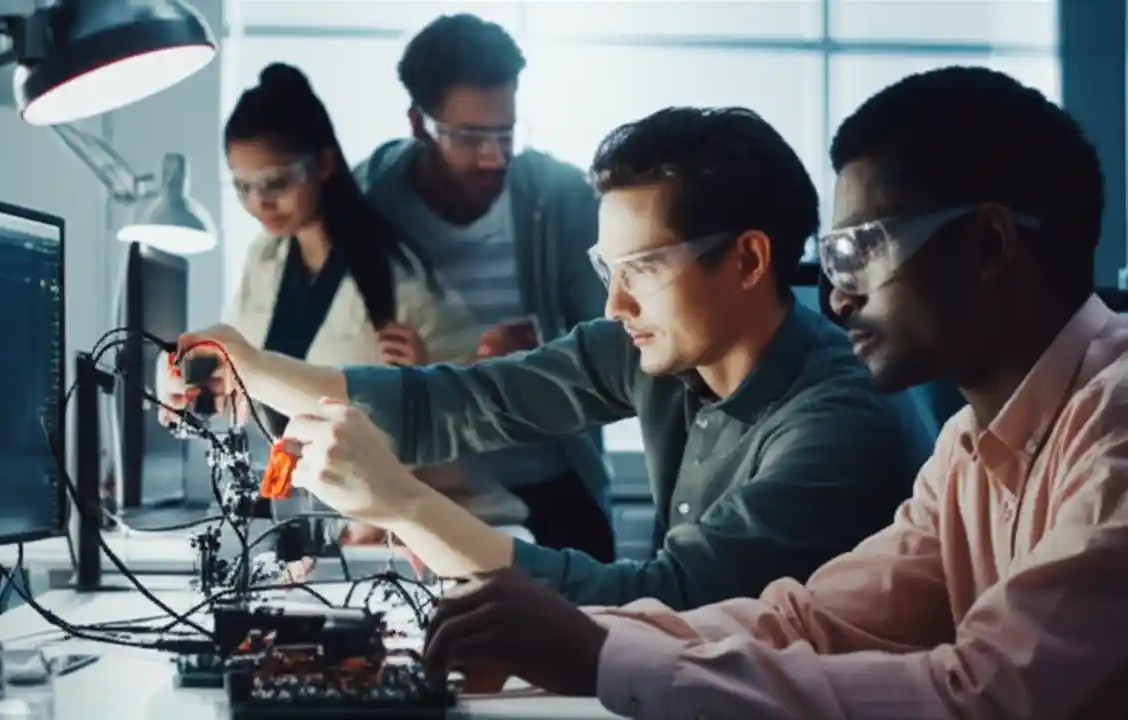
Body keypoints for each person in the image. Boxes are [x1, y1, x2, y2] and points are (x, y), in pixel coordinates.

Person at [417, 67, 1128, 718]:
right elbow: (812, 621)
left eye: (858, 252)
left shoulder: (1115, 426)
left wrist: (599, 654)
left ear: (989, 245)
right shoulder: (967, 447)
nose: (834, 295)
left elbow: (989, 697)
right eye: (830, 255)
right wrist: (579, 638)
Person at [175, 106, 932, 611]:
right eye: (610, 271)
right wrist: (243, 362)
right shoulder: (658, 349)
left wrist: (404, 505)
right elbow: (457, 403)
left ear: (747, 260)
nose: (615, 307)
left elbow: (661, 608)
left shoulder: (837, 426)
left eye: (643, 268)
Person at [157, 63, 526, 526]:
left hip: (437, 521)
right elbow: (240, 376)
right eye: (243, 187)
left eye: (275, 183)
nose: (259, 204)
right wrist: (184, 375)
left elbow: (470, 423)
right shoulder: (267, 258)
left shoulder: (398, 277)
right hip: (328, 521)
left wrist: (423, 384)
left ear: (325, 165)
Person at [353, 14, 616, 560]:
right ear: (419, 123)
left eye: (506, 133)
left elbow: (621, 339)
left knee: (592, 636)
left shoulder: (563, 197)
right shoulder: (366, 204)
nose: (493, 157)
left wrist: (544, 344)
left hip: (555, 487)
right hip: (431, 488)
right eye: (470, 137)